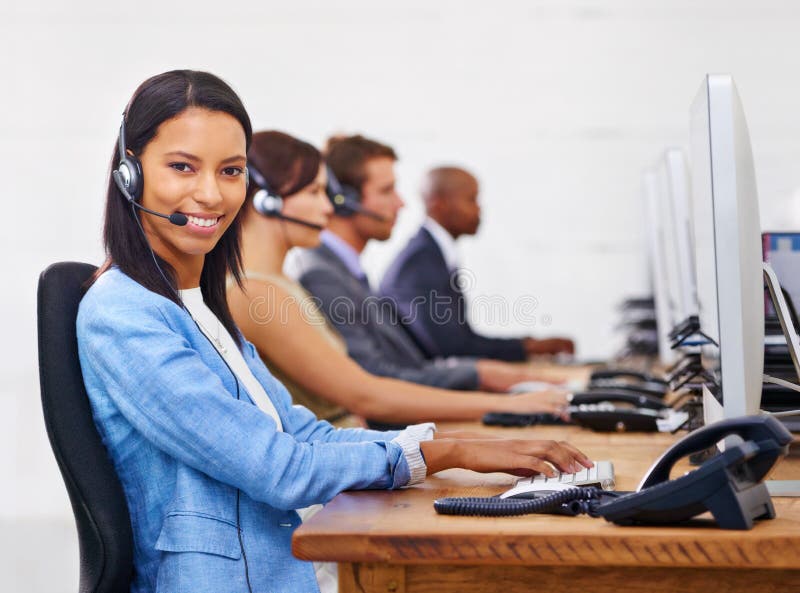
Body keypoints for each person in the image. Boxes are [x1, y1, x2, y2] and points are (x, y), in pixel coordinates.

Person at [75, 70, 593, 593]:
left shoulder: (200, 305)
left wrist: (453, 442)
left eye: (231, 171)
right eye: (182, 167)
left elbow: (304, 433)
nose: (210, 193)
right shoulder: (124, 314)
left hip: (283, 565)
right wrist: (447, 454)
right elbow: (277, 467)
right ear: (129, 173)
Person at [226, 130, 570, 429]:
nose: (330, 207)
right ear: (267, 202)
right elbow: (366, 394)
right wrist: (506, 404)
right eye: (315, 192)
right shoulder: (260, 291)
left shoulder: (281, 282)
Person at [288, 134, 565, 393]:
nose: (401, 204)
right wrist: (480, 376)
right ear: (344, 201)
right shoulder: (322, 274)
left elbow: (405, 367)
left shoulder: (349, 271)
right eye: (387, 191)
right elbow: (375, 380)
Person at [380, 166, 575, 361]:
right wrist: (528, 347)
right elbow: (451, 347)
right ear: (440, 204)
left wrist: (528, 346)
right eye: (471, 199)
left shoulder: (433, 254)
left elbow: (460, 339)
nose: (479, 209)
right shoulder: (419, 263)